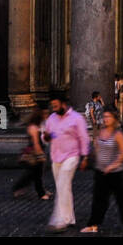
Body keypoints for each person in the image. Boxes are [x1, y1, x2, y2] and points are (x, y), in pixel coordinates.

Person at [81, 108, 123, 234]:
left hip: (115, 173)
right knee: (98, 199)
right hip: (100, 171)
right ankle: (93, 224)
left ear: (114, 119)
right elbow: (96, 149)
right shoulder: (100, 131)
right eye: (104, 116)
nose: (106, 119)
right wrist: (89, 159)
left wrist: (112, 166)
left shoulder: (117, 134)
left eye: (109, 117)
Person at [44, 96, 90, 232]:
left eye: (56, 105)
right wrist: (45, 137)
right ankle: (69, 218)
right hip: (56, 156)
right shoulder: (51, 118)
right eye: (53, 106)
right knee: (62, 187)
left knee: (63, 184)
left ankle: (59, 220)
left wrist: (85, 157)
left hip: (71, 156)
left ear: (63, 104)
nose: (54, 108)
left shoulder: (76, 118)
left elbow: (83, 137)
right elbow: (47, 135)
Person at [12, 108, 52, 201]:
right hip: (34, 152)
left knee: (36, 173)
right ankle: (41, 193)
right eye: (45, 114)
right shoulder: (33, 127)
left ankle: (20, 188)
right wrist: (40, 154)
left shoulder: (41, 125)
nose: (47, 116)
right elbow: (36, 143)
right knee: (36, 174)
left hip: (40, 150)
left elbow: (46, 138)